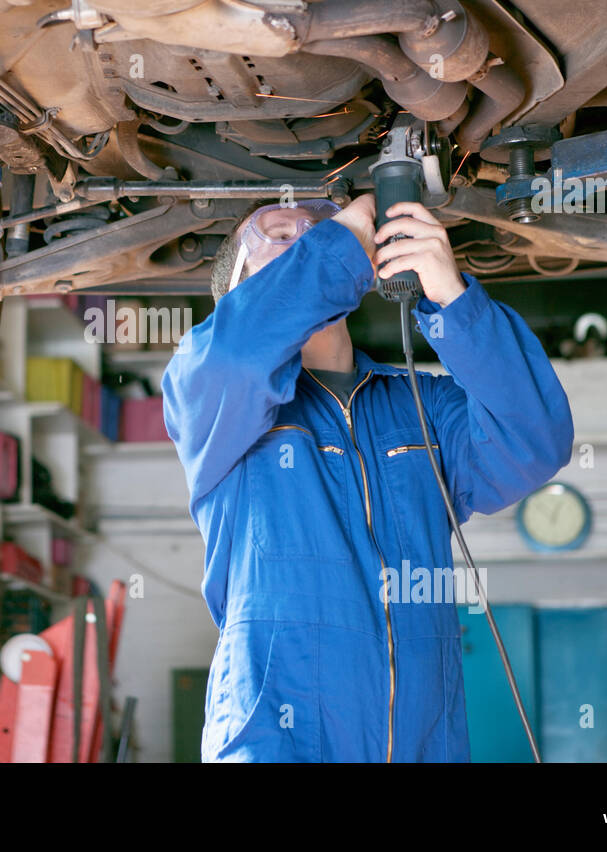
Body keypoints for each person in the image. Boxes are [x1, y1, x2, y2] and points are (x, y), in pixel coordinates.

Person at [161, 193, 574, 762]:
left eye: (317, 229)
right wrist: (335, 249)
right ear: (239, 292)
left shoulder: (420, 405)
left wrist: (452, 297)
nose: (309, 237)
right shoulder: (216, 408)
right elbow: (231, 356)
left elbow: (534, 440)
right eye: (282, 234)